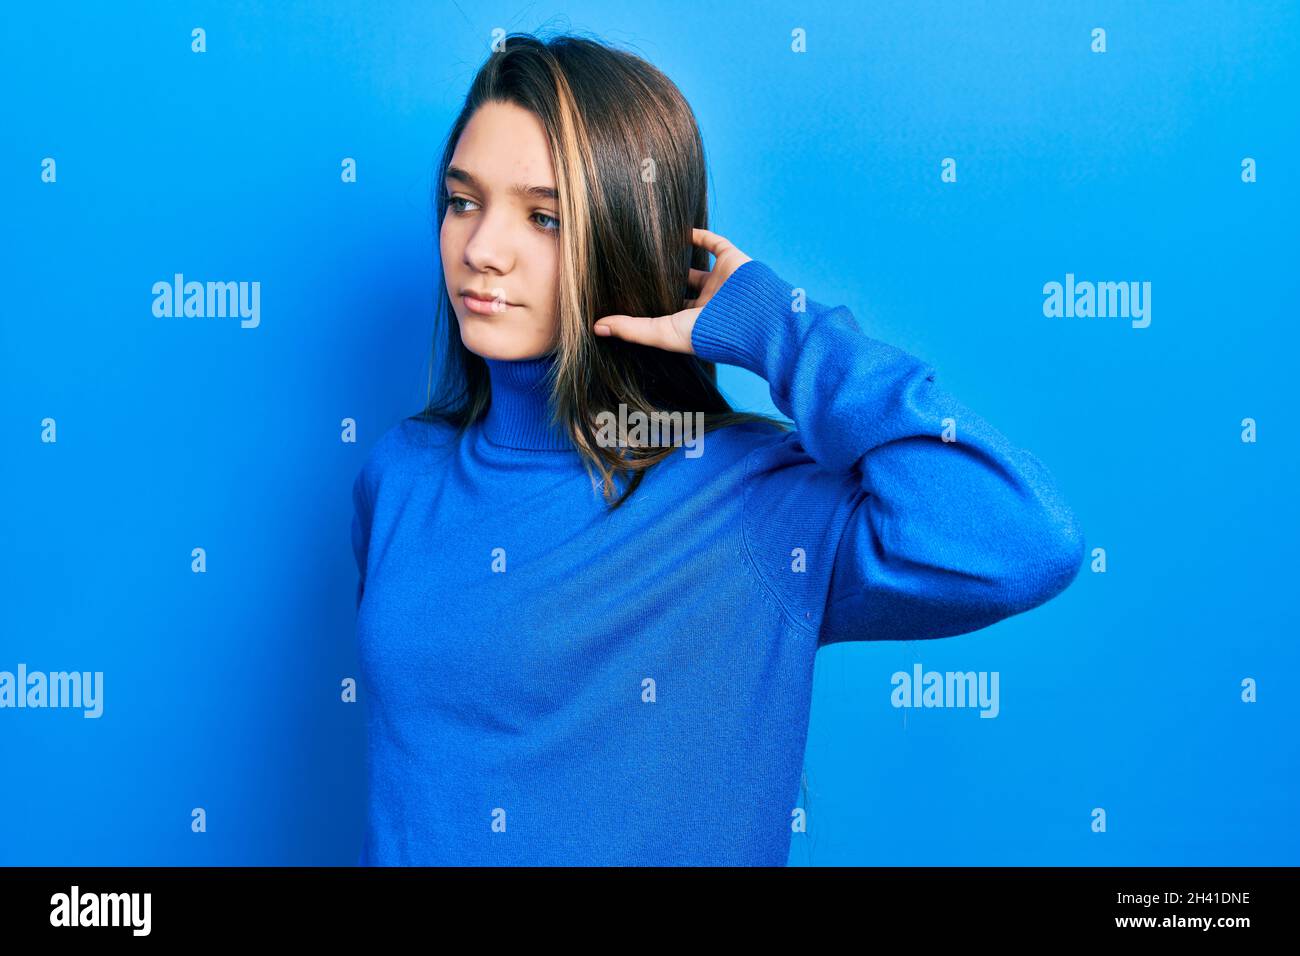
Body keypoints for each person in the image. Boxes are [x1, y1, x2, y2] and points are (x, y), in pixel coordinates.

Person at [351, 32, 1085, 866]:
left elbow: (1026, 537)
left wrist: (781, 329)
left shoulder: (746, 498)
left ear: (624, 234)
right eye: (462, 202)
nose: (482, 248)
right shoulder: (400, 476)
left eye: (544, 216)